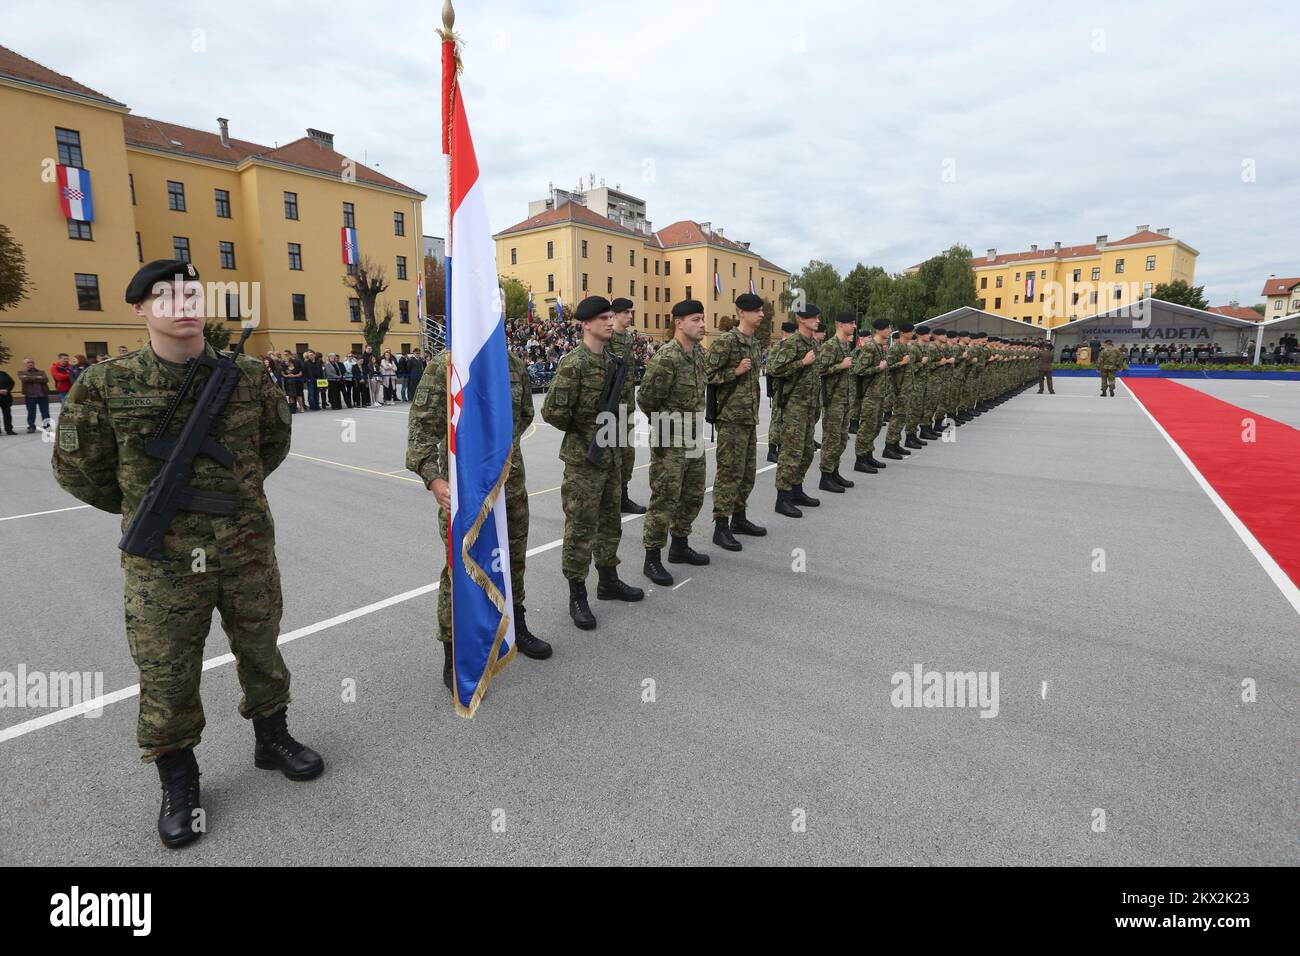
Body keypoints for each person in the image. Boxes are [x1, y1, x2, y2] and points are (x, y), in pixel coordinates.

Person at [50, 259, 321, 850]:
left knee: (260, 646)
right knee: (168, 670)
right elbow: (79, 471)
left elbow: (273, 443)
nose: (182, 302)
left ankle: (272, 739)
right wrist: (148, 510)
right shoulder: (105, 384)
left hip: (246, 547)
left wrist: (234, 500)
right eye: (165, 295)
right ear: (140, 309)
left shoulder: (248, 377)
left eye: (192, 292)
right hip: (164, 564)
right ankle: (179, 779)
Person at [407, 343, 551, 691]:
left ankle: (515, 627)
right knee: (462, 568)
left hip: (509, 487)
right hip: (466, 491)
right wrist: (435, 478)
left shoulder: (513, 365)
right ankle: (453, 650)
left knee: (512, 561)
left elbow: (524, 417)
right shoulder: (446, 365)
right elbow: (422, 430)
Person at [540, 296, 643, 629]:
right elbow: (552, 412)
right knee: (581, 528)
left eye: (612, 317)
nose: (610, 323)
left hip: (610, 454)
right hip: (584, 460)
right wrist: (587, 426)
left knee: (611, 522)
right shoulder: (574, 363)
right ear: (585, 324)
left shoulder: (613, 361)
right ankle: (577, 594)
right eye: (602, 318)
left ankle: (608, 579)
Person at [638, 299, 710, 585]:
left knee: (693, 492)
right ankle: (652, 558)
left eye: (703, 319)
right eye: (696, 319)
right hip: (670, 439)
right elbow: (645, 398)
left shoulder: (698, 355)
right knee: (665, 497)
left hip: (694, 436)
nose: (702, 324)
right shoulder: (667, 357)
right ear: (679, 323)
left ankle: (679, 545)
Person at [704, 292, 766, 551]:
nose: (761, 314)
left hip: (749, 418)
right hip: (730, 419)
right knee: (729, 472)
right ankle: (721, 526)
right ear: (742, 312)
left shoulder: (754, 342)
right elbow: (706, 374)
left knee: (747, 472)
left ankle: (739, 518)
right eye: (756, 310)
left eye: (762, 310)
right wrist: (735, 371)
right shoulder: (726, 342)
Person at [767, 306, 823, 517]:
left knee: (807, 451)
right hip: (793, 407)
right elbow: (773, 368)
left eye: (817, 317)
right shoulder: (792, 343)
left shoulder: (813, 344)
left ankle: (797, 490)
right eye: (813, 317)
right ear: (801, 319)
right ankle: (783, 498)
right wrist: (802, 362)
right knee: (791, 452)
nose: (817, 321)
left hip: (809, 407)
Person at [607, 298, 645, 515]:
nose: (630, 317)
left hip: (627, 408)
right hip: (611, 409)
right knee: (611, 457)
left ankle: (623, 497)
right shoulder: (608, 339)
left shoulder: (628, 339)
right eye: (627, 313)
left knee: (627, 456)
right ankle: (610, 499)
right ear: (616, 315)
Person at [816, 311, 859, 492]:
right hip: (833, 400)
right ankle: (825, 477)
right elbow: (818, 369)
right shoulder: (830, 346)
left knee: (841, 439)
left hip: (844, 400)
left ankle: (834, 472)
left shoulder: (844, 346)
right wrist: (840, 366)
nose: (854, 326)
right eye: (851, 323)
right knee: (832, 439)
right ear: (840, 325)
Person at [851, 317, 893, 474]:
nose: (889, 331)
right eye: (887, 328)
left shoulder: (881, 347)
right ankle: (860, 459)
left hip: (879, 393)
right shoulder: (870, 347)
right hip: (869, 394)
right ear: (879, 330)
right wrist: (878, 368)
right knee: (867, 426)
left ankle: (868, 454)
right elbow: (859, 370)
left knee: (875, 426)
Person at [766, 320, 797, 463]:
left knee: (785, 420)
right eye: (792, 333)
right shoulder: (779, 347)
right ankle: (772, 450)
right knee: (777, 419)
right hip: (779, 388)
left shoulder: (791, 347)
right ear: (785, 333)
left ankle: (781, 447)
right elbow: (772, 369)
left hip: (789, 388)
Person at [18, 357, 51, 433]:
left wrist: (30, 378)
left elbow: (45, 379)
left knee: (45, 412)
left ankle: (47, 426)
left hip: (42, 395)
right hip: (30, 396)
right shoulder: (21, 372)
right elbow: (24, 379)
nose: (30, 364)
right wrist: (37, 377)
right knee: (31, 412)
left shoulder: (41, 371)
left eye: (32, 362)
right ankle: (31, 427)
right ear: (25, 364)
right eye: (28, 362)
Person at [0, 367, 15, 435]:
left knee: (7, 414)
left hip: (5, 398)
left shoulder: (3, 374)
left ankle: (9, 430)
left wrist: (7, 390)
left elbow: (11, 382)